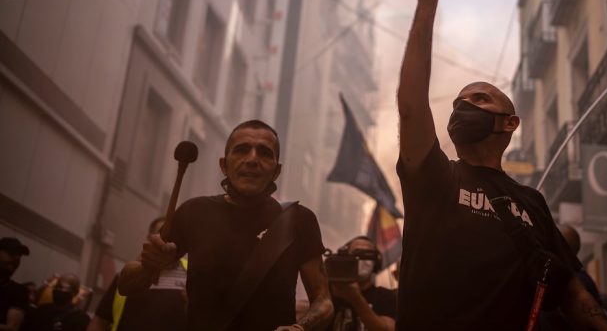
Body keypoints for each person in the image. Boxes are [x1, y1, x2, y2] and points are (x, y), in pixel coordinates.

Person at [395, 0, 607, 330]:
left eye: (480, 100)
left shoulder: (532, 203)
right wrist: (426, 6)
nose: (465, 105)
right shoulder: (436, 177)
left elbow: (571, 293)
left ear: (510, 123)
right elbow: (411, 107)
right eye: (460, 102)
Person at [117, 120, 333, 331]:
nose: (252, 159)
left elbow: (323, 301)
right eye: (241, 150)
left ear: (276, 171)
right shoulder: (194, 211)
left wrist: (300, 327)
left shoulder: (299, 220)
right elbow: (126, 285)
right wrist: (148, 265)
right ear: (224, 165)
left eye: (264, 153)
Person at [88, 217, 187, 331]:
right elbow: (100, 321)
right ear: (149, 238)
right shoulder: (127, 276)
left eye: (174, 233)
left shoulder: (192, 277)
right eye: (162, 233)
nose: (167, 239)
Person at [327, 236, 396, 331]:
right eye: (356, 254)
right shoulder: (327, 294)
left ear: (376, 263)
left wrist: (356, 299)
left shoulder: (386, 297)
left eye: (368, 255)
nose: (362, 260)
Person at [22, 274, 89, 331]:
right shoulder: (42, 309)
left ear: (75, 292)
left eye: (62, 288)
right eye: (56, 287)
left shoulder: (81, 319)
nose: (57, 290)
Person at [0, 238, 30, 331]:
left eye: (20, 255)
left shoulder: (19, 292)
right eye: (11, 252)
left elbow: (11, 328)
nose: (17, 258)